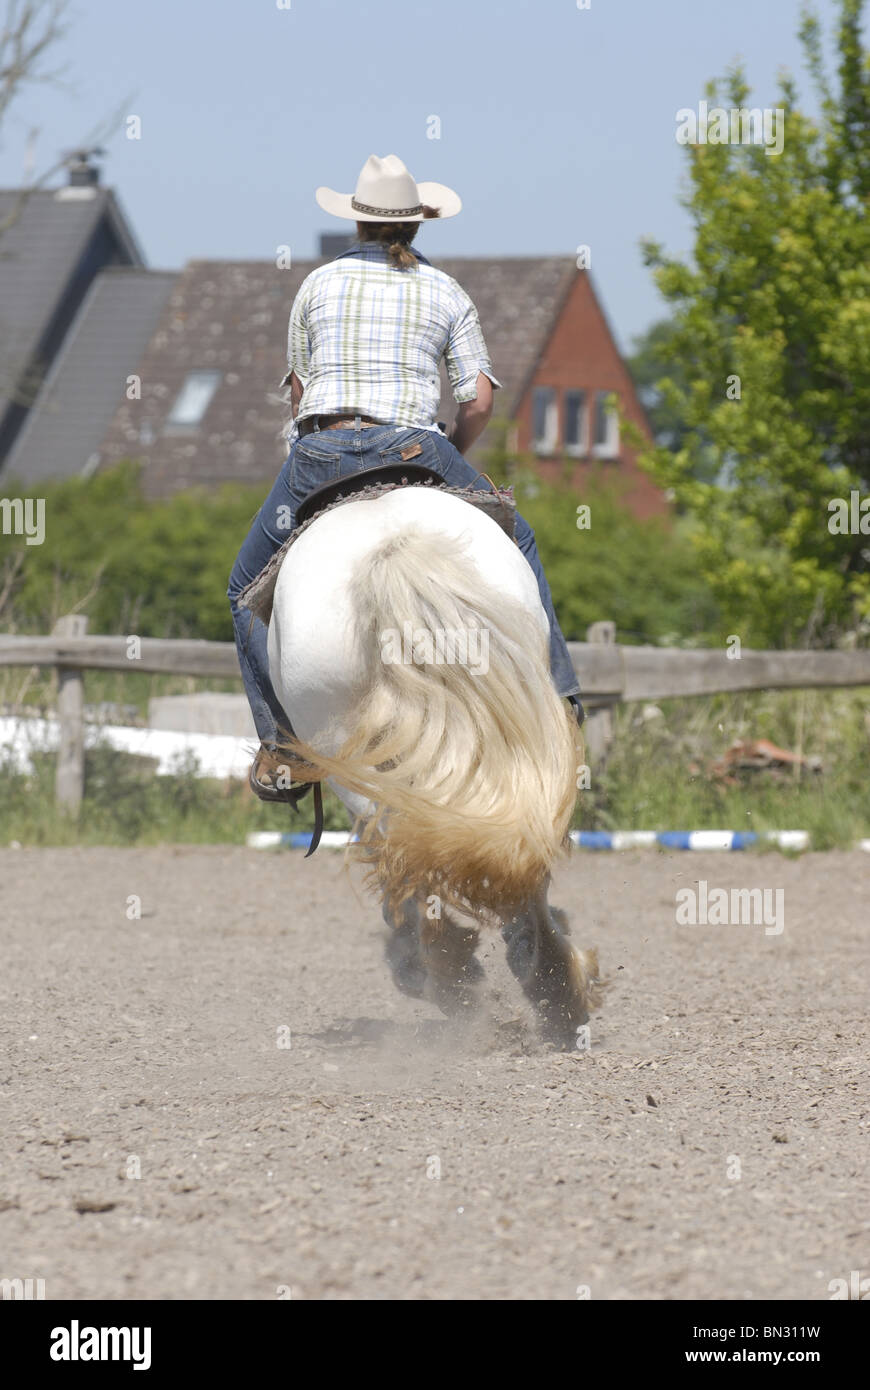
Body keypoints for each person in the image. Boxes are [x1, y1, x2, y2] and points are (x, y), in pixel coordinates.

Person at [228, 154, 583, 800]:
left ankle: (280, 748)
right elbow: (477, 399)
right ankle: (562, 699)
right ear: (419, 225)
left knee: (241, 588)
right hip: (417, 451)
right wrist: (454, 446)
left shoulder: (316, 286)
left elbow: (300, 393)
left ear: (357, 223)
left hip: (321, 455)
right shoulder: (446, 291)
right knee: (521, 541)